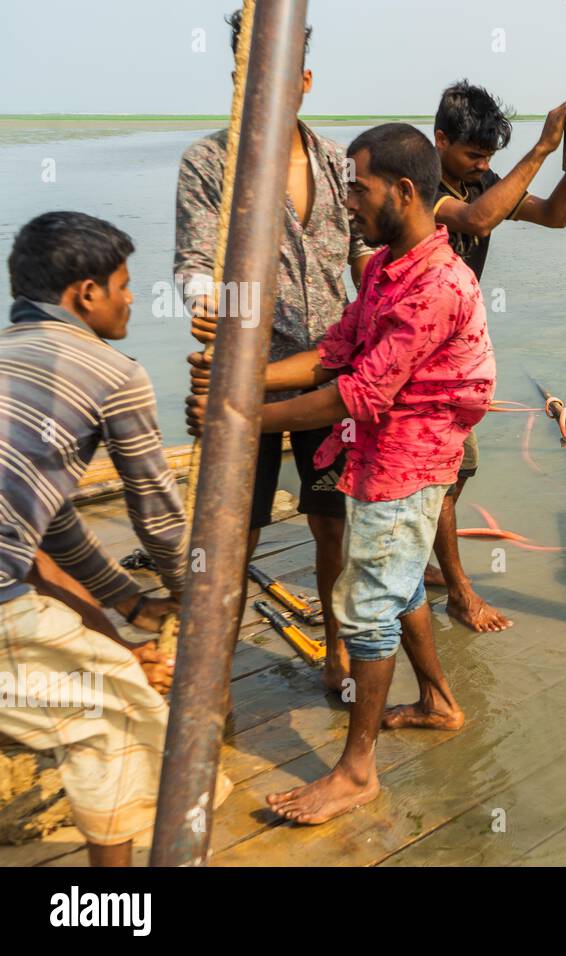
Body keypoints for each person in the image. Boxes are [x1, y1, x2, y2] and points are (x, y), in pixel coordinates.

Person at [189, 124, 494, 824]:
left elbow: (356, 393)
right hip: (384, 455)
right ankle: (440, 702)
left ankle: (357, 771)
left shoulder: (437, 285)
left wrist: (240, 417)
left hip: (407, 464)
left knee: (364, 611)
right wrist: (243, 383)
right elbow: (334, 352)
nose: (348, 201)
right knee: (403, 582)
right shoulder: (391, 266)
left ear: (405, 191)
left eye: (358, 187)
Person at [175, 8, 371, 692]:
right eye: (245, 75)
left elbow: (364, 257)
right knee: (236, 535)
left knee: (331, 525)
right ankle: (212, 677)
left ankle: (340, 654)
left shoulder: (336, 163)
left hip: (327, 377)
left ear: (303, 80)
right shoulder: (208, 163)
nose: (258, 88)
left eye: (275, 74)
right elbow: (195, 266)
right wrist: (209, 304)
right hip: (246, 382)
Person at [0, 211, 192, 865]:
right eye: (124, 283)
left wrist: (130, 604)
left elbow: (44, 529)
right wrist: (193, 589)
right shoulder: (115, 374)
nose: (132, 297)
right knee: (119, 724)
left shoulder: (8, 357)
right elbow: (160, 520)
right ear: (87, 294)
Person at [421, 81, 566, 632]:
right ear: (440, 139)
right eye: (473, 155)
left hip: (457, 351)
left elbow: (555, 215)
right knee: (447, 470)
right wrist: (540, 148)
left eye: (489, 158)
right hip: (418, 352)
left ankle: (427, 560)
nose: (481, 167)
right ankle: (458, 590)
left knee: (455, 470)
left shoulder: (482, 180)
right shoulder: (421, 184)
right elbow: (476, 220)